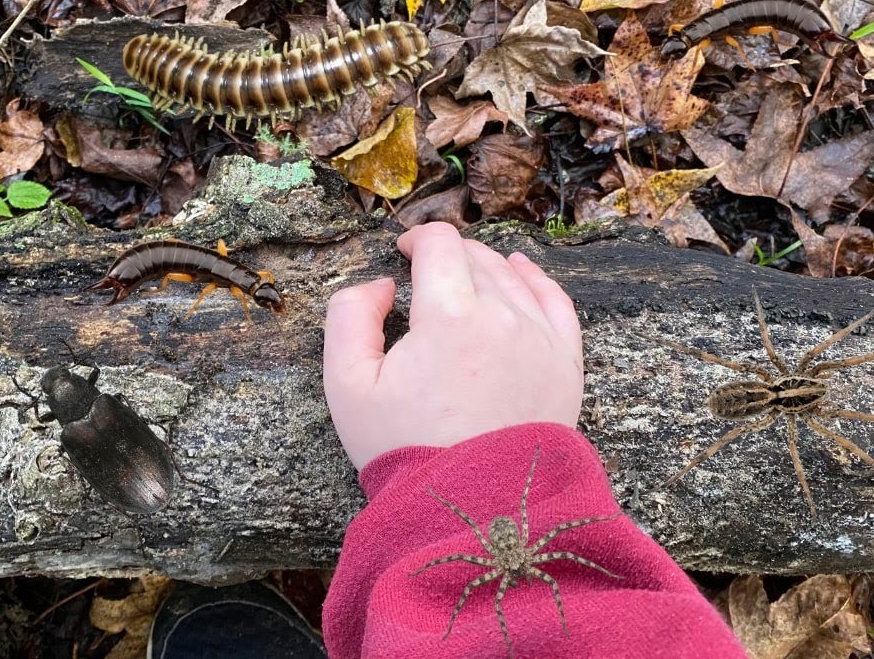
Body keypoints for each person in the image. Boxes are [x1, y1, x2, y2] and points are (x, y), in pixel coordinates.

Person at [318, 222, 748, 658]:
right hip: (507, 540)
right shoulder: (493, 565)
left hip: (508, 540)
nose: (519, 574)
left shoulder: (529, 555)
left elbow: (558, 532)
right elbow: (513, 526)